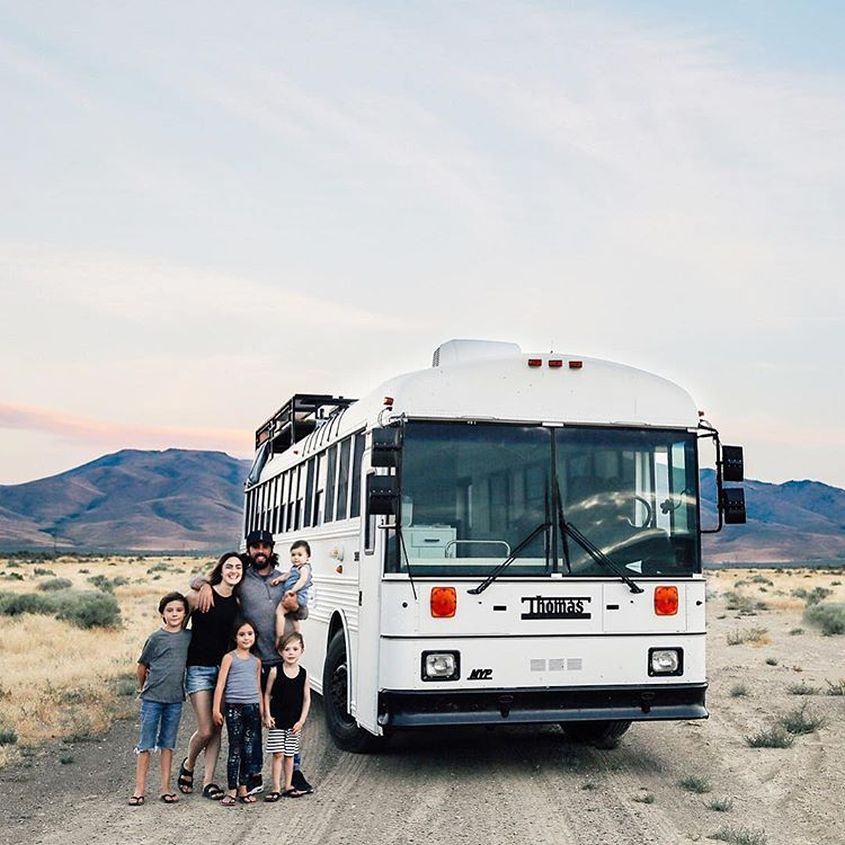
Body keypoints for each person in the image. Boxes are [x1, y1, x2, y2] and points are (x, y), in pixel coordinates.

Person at [194, 529, 314, 795]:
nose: (260, 551)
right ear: (248, 550)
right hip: (254, 662)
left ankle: (293, 773)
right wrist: (202, 585)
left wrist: (295, 606)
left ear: (271, 550)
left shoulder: (285, 577)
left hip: (282, 661)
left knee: (287, 718)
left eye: (265, 547)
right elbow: (204, 579)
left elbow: (303, 610)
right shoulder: (242, 579)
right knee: (255, 722)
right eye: (255, 547)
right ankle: (254, 773)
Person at [177, 552, 243, 800]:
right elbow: (177, 630)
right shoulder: (197, 596)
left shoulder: (237, 603)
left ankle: (208, 782)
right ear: (221, 569)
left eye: (238, 567)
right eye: (229, 566)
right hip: (198, 669)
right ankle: (189, 763)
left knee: (217, 726)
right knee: (205, 729)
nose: (234, 571)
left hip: (223, 671)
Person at [129, 591, 191, 806]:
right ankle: (139, 790)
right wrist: (144, 688)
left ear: (185, 613)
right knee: (146, 743)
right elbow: (142, 666)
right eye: (170, 610)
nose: (175, 614)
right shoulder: (155, 638)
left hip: (174, 699)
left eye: (179, 610)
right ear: (163, 614)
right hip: (152, 698)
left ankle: (165, 788)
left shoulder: (188, 637)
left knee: (168, 744)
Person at [212, 618, 265, 806]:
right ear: (235, 637)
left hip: (252, 708)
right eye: (242, 634)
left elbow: (259, 688)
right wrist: (216, 709)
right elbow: (220, 685)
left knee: (249, 749)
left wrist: (263, 712)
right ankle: (232, 789)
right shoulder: (229, 658)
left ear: (255, 636)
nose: (246, 637)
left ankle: (244, 787)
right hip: (234, 708)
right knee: (235, 748)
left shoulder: (256, 661)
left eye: (250, 634)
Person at [262, 632, 311, 800]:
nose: (291, 652)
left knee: (290, 754)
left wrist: (302, 720)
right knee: (278, 754)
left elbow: (306, 699)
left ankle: (288, 785)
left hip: (294, 723)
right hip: (277, 720)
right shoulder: (275, 671)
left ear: (301, 651)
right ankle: (275, 787)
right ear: (280, 652)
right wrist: (267, 715)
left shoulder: (303, 674)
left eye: (295, 649)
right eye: (287, 649)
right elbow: (267, 694)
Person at [273, 540, 312, 636]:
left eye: (300, 555)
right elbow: (287, 575)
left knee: (280, 612)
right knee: (293, 617)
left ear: (307, 557)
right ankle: (296, 635)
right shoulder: (294, 568)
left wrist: (292, 591)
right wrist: (278, 579)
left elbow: (303, 580)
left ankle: (280, 636)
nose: (296, 558)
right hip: (295, 595)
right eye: (293, 555)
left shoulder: (304, 568)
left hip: (298, 596)